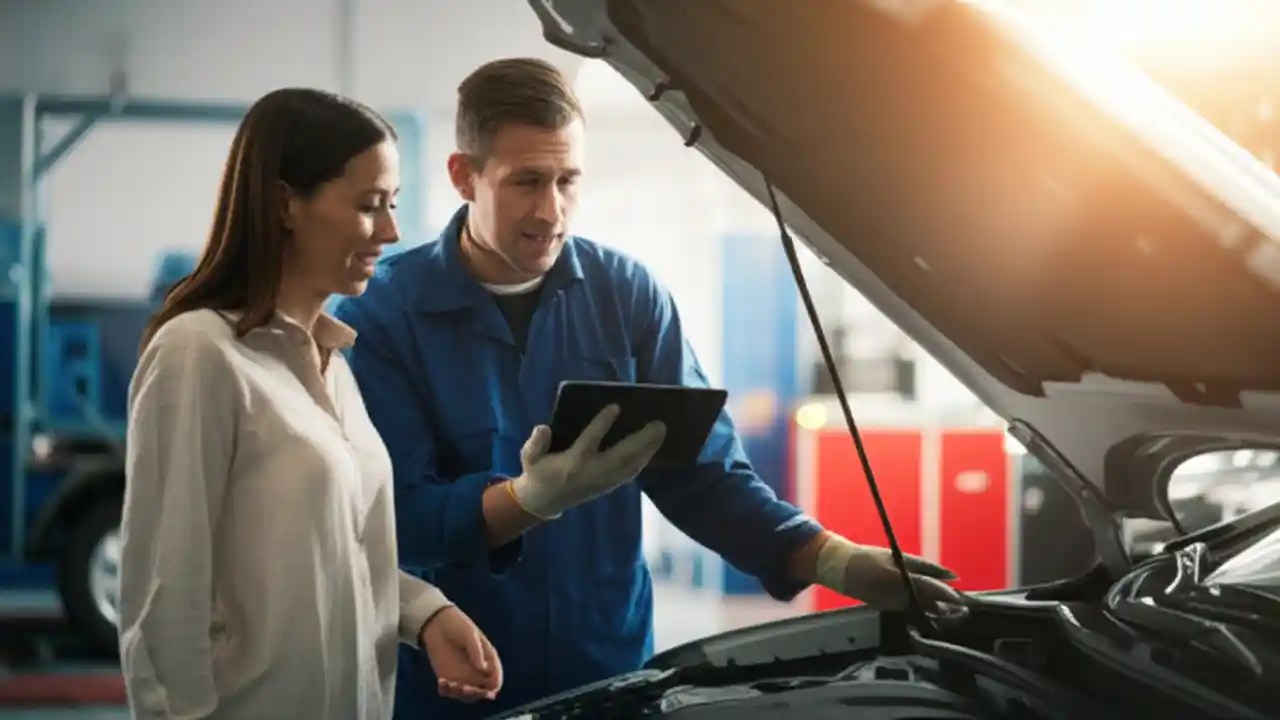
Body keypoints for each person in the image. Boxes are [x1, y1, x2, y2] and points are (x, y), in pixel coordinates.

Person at [333, 58, 963, 719]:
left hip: (607, 670)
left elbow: (702, 477)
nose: (552, 211)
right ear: (465, 175)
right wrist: (525, 502)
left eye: (568, 181)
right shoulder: (380, 318)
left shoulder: (626, 297)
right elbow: (392, 520)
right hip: (455, 684)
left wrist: (830, 559)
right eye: (527, 183)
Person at [117, 87, 505, 719]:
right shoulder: (200, 353)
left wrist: (426, 613)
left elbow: (339, 554)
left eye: (393, 205)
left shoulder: (333, 366)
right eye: (368, 205)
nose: (392, 230)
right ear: (284, 203)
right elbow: (164, 598)